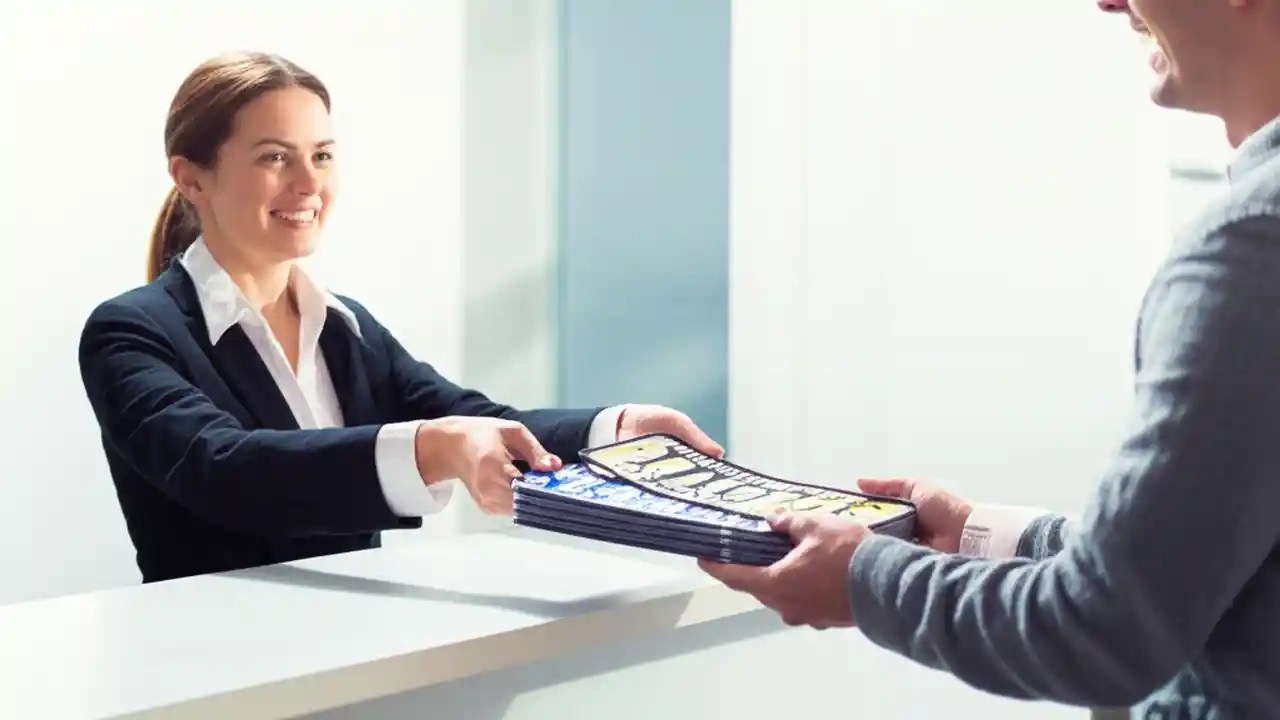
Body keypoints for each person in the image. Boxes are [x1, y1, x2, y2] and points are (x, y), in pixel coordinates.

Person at [701, 1, 1280, 717]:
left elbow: (1103, 631)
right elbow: (1205, 555)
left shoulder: (1251, 249)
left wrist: (861, 576)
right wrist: (984, 533)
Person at [78, 51, 723, 585]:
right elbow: (229, 471)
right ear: (192, 179)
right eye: (275, 157)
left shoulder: (345, 328)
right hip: (213, 680)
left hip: (358, 665)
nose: (309, 184)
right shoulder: (130, 334)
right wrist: (433, 447)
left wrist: (619, 430)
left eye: (323, 155)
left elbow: (481, 420)